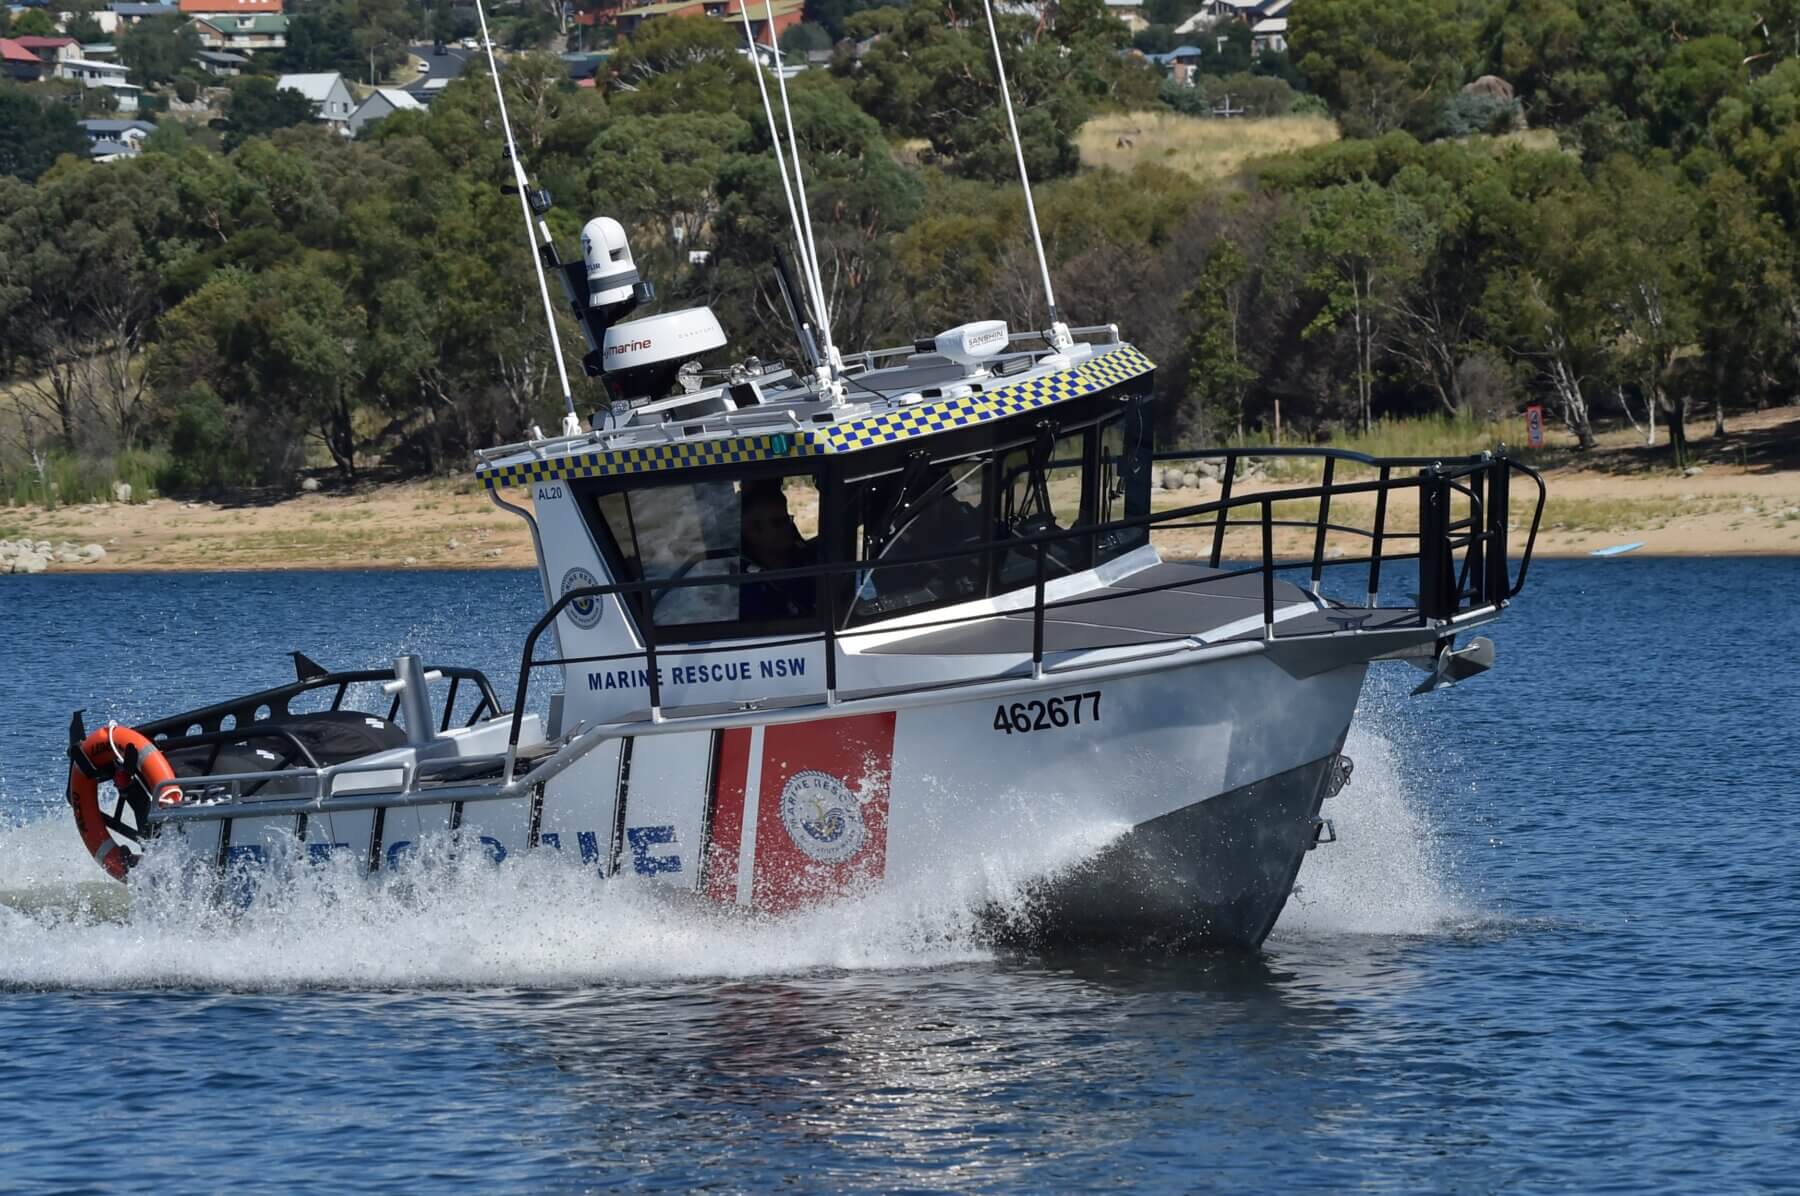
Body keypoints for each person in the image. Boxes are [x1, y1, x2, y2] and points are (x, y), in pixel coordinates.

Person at [740, 481, 817, 620]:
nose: (788, 527)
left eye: (787, 519)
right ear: (752, 531)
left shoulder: (807, 561)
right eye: (777, 522)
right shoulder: (745, 586)